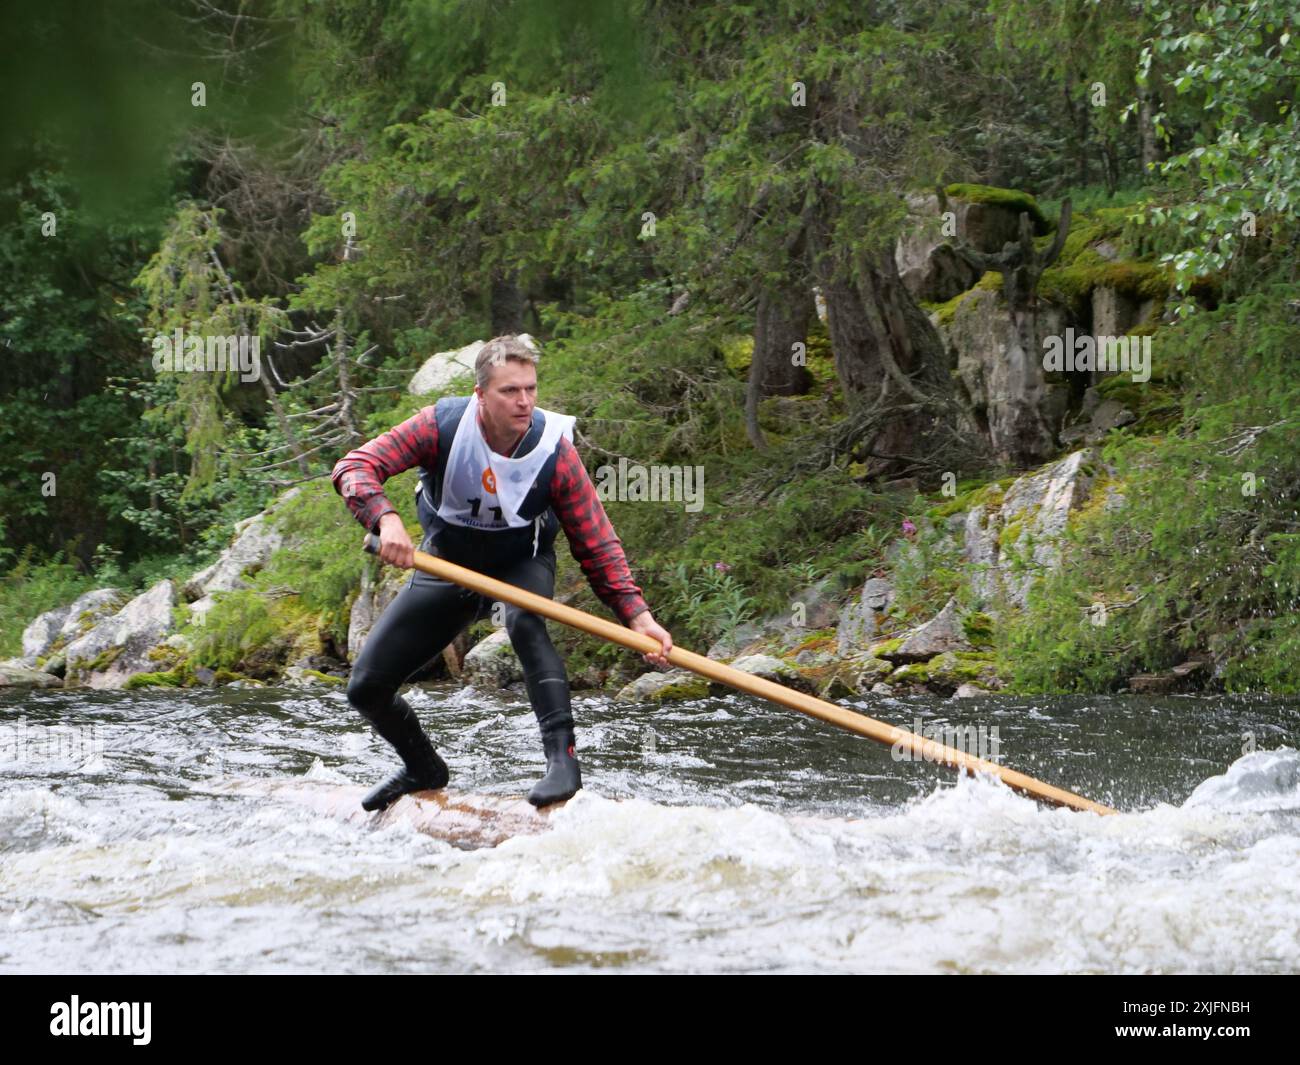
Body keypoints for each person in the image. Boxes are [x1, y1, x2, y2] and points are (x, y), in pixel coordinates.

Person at [330, 335, 673, 812]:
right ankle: (422, 768)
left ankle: (563, 764)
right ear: (480, 394)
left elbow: (595, 540)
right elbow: (356, 465)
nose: (525, 401)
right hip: (447, 563)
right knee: (365, 687)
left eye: (530, 388)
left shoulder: (554, 450)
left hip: (520, 561)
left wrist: (637, 617)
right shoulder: (440, 425)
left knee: (525, 620)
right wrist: (385, 519)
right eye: (510, 391)